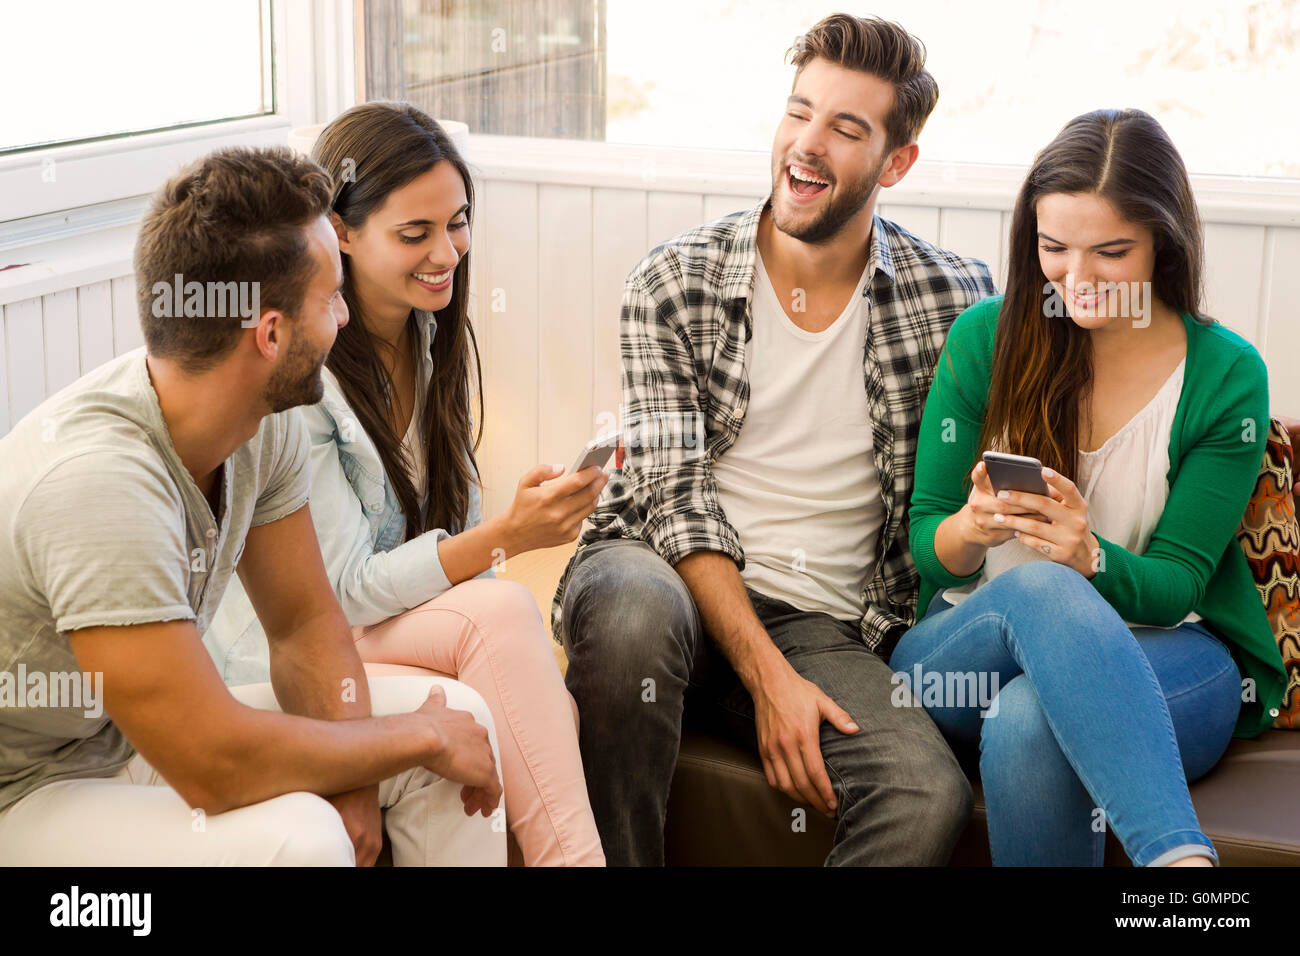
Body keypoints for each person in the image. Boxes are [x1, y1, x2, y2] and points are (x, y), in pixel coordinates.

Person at [552, 14, 997, 866]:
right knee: (636, 618)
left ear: (897, 163)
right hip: (661, 573)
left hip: (830, 624)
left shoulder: (955, 299)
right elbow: (674, 501)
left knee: (924, 792)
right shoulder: (674, 281)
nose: (808, 144)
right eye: (799, 112)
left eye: (846, 127)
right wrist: (767, 681)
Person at [0, 146, 506, 866]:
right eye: (332, 298)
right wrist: (405, 739)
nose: (344, 315)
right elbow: (211, 763)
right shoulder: (99, 487)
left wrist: (364, 774)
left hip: (131, 744)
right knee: (304, 839)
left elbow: (303, 629)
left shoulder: (257, 425)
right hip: (27, 791)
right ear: (270, 335)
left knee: (462, 723)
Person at [205, 103, 607, 866]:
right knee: (499, 619)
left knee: (511, 671)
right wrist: (507, 537)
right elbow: (344, 594)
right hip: (284, 656)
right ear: (341, 234)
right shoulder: (305, 377)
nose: (447, 252)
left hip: (381, 632)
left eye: (457, 223)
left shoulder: (429, 340)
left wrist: (500, 535)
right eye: (414, 234)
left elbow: (452, 560)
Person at [889, 108, 1287, 866]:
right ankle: (1181, 866)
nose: (1077, 279)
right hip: (967, 645)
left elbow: (1178, 586)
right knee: (1041, 589)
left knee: (1029, 721)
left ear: (1163, 241)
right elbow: (930, 548)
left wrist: (1092, 559)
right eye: (1054, 249)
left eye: (1111, 251)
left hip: (1168, 653)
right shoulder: (985, 338)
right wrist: (973, 527)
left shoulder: (1225, 374)